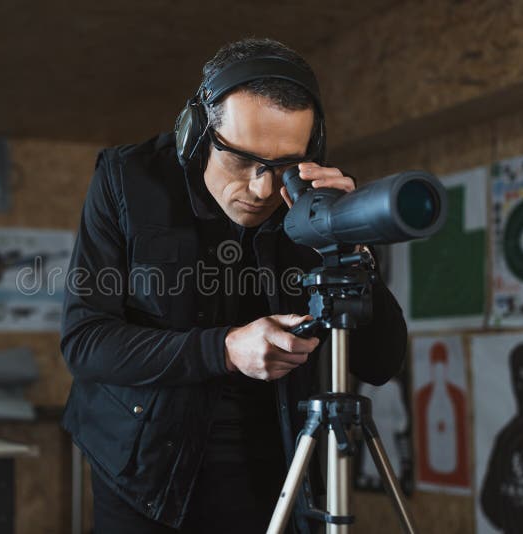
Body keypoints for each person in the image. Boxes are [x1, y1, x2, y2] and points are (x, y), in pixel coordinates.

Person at [60, 38, 407, 534]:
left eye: (284, 164)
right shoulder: (126, 180)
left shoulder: (315, 201)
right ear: (196, 133)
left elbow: (381, 362)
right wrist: (223, 349)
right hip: (141, 471)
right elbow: (85, 342)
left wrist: (347, 242)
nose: (263, 189)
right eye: (242, 161)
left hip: (278, 470)